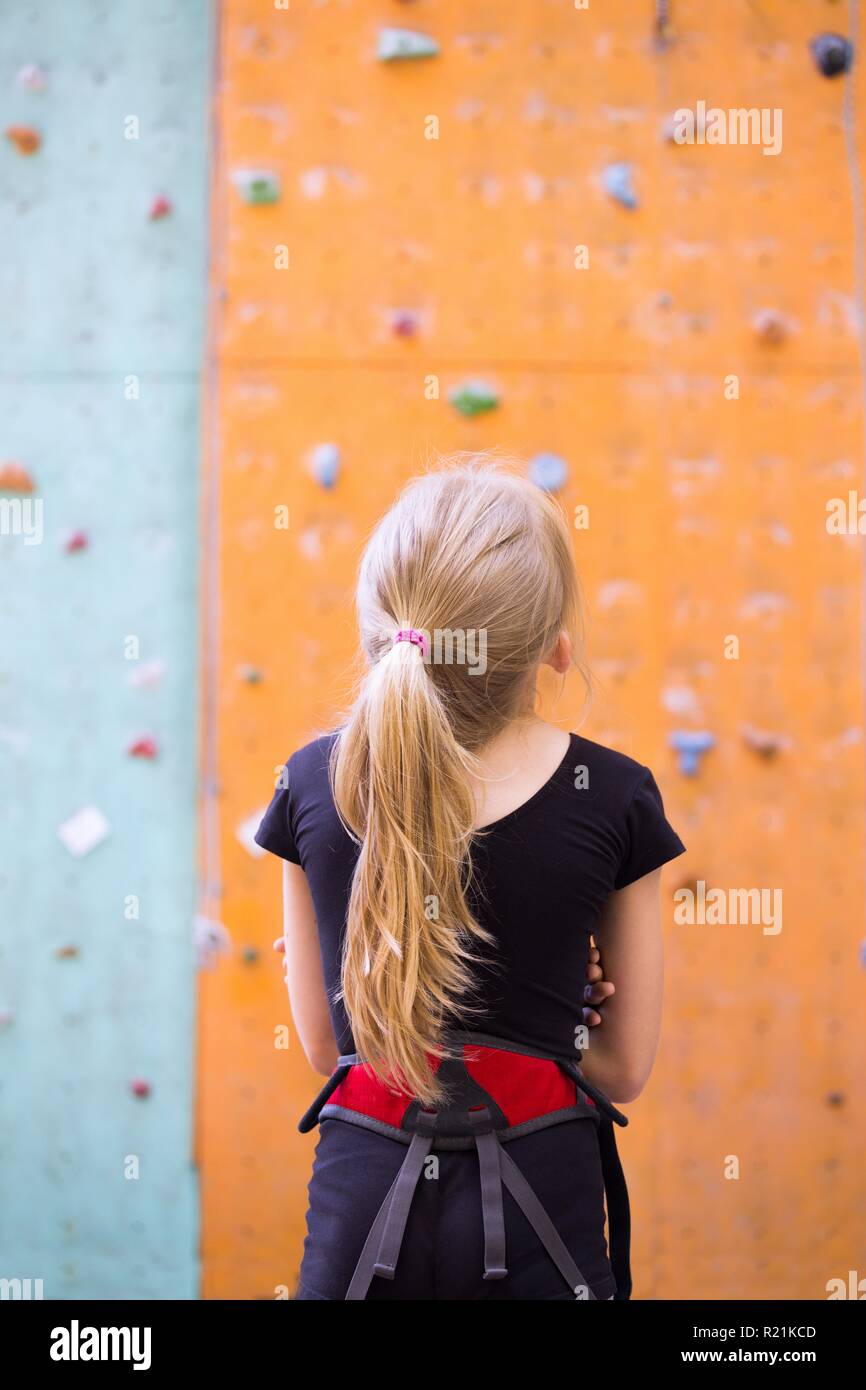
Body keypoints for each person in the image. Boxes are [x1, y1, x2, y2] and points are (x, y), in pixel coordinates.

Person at [256, 460, 686, 1300]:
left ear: (378, 639)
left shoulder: (312, 783)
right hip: (542, 1202)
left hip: (363, 1201)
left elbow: (327, 1050)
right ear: (554, 649)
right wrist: (558, 1017)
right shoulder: (618, 797)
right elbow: (621, 1066)